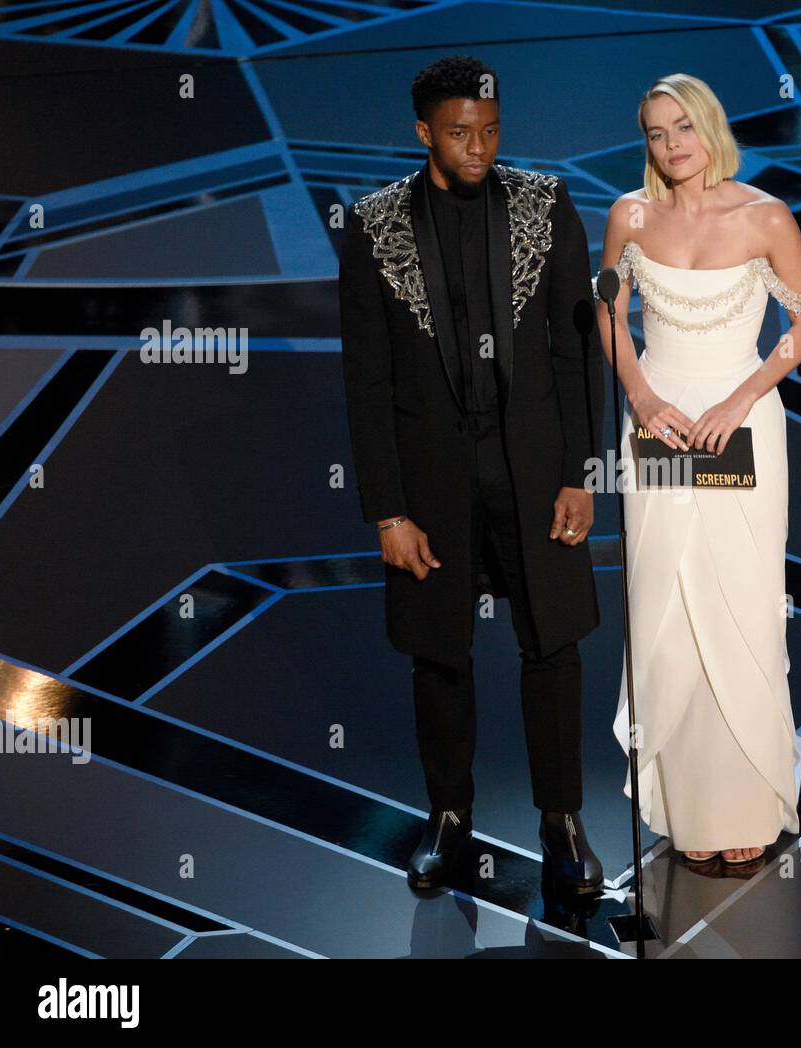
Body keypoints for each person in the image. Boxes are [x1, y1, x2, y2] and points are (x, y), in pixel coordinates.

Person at [338, 55, 605, 894]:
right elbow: (368, 378)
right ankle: (449, 820)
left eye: (490, 130)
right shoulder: (374, 224)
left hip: (534, 469)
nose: (479, 147)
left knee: (553, 648)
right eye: (459, 134)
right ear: (424, 133)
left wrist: (578, 472)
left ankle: (562, 825)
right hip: (431, 481)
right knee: (439, 655)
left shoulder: (544, 203)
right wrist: (387, 511)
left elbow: (574, 350)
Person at [597, 73, 801, 869]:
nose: (671, 146)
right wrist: (639, 393)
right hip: (657, 427)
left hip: (740, 425)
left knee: (739, 604)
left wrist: (743, 395)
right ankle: (687, 809)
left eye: (683, 128)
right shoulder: (628, 215)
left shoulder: (765, 216)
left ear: (710, 128)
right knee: (666, 605)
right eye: (656, 132)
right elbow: (608, 308)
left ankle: (747, 806)